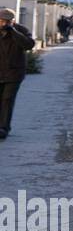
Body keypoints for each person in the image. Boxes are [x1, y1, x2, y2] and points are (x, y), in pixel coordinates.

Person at [0, 8, 35, 139]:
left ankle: (3, 128)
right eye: (1, 21)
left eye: (7, 21)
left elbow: (29, 45)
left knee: (7, 100)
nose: (4, 24)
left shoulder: (21, 30)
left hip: (14, 72)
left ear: (12, 21)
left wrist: (13, 32)